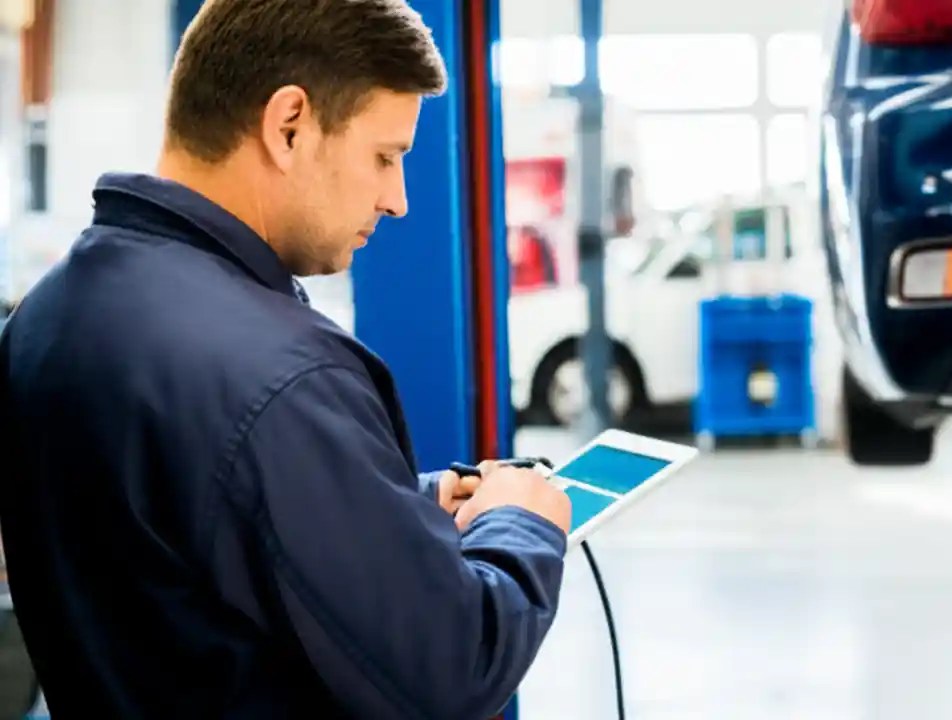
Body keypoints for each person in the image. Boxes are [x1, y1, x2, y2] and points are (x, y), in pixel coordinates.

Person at [0, 1, 572, 718]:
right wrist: (522, 523)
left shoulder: (49, 316)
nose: (396, 200)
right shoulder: (285, 375)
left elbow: (182, 536)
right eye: (385, 157)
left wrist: (399, 508)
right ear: (289, 125)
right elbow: (452, 670)